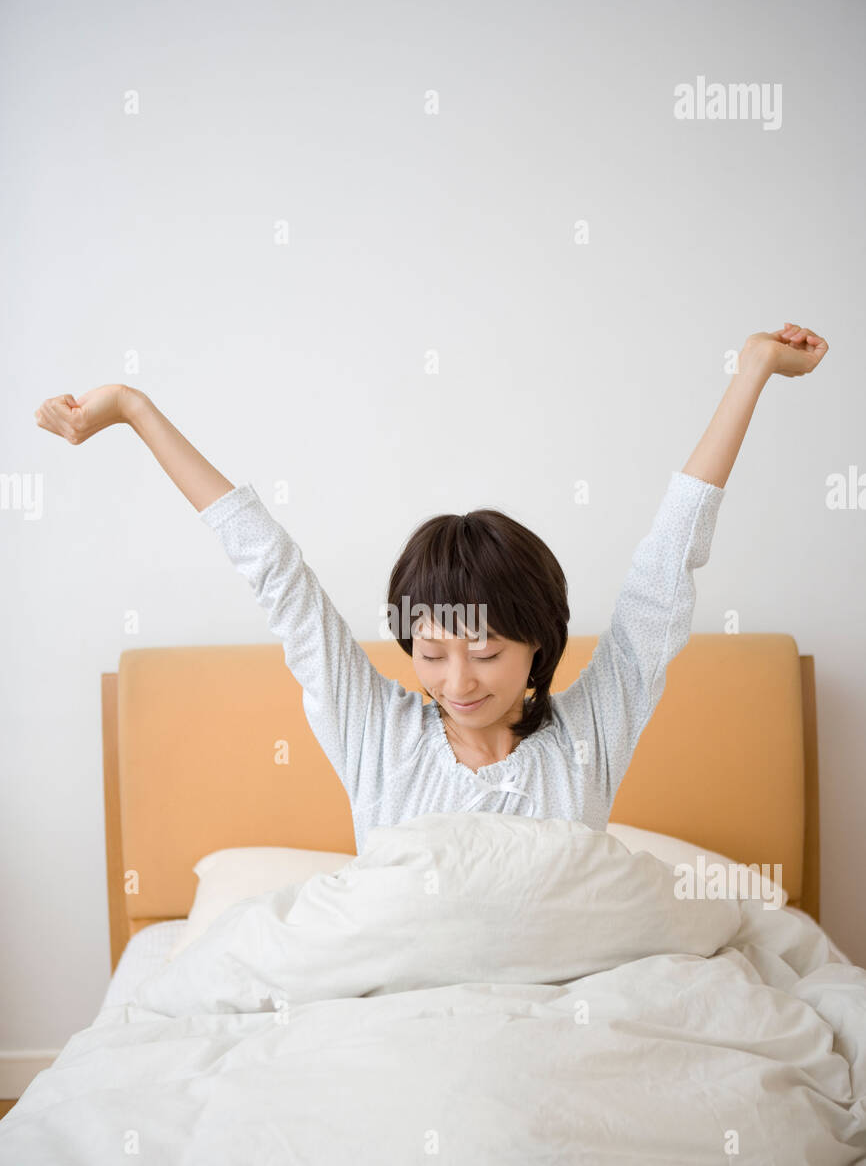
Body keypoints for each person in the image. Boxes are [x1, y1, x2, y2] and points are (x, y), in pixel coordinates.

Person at [34, 324, 828, 854]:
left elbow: (665, 572)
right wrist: (136, 411)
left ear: (538, 646)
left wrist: (752, 369)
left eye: (484, 652)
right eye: (431, 652)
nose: (457, 682)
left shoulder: (589, 737)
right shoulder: (372, 730)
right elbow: (272, 568)